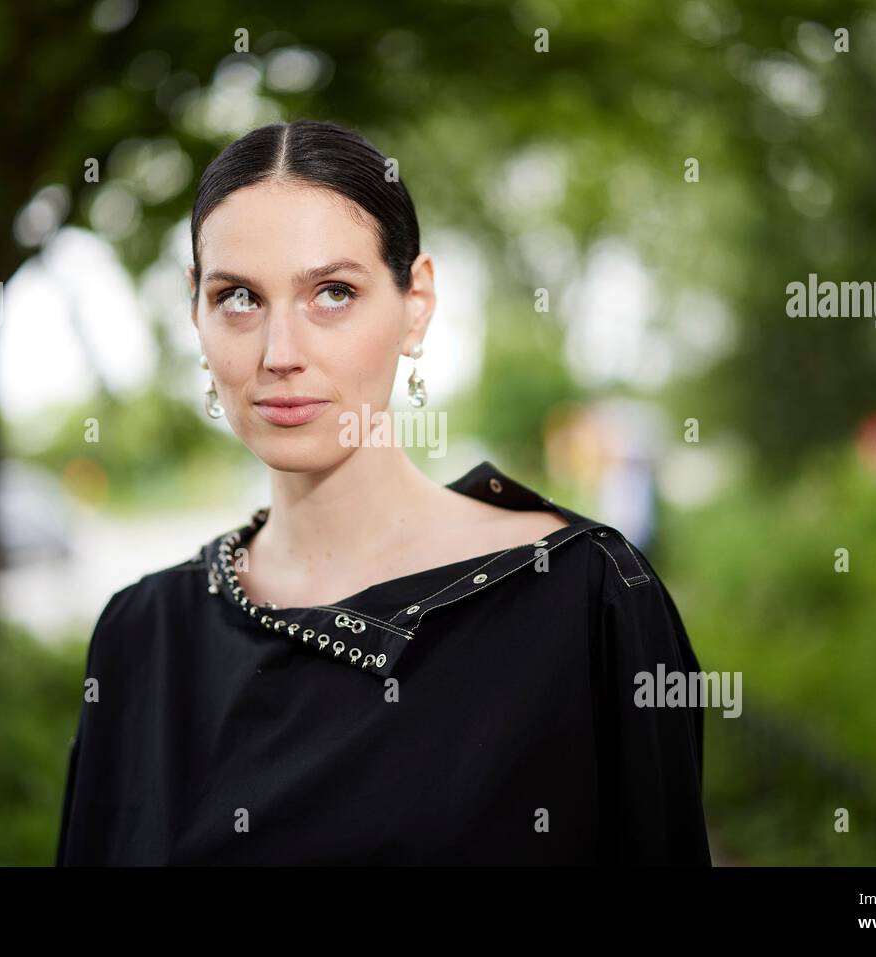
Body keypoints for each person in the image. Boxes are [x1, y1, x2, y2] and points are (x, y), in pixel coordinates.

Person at [55, 119, 711, 865]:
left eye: (332, 292)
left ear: (416, 301)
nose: (280, 354)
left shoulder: (582, 598)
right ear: (195, 311)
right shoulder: (142, 635)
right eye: (238, 297)